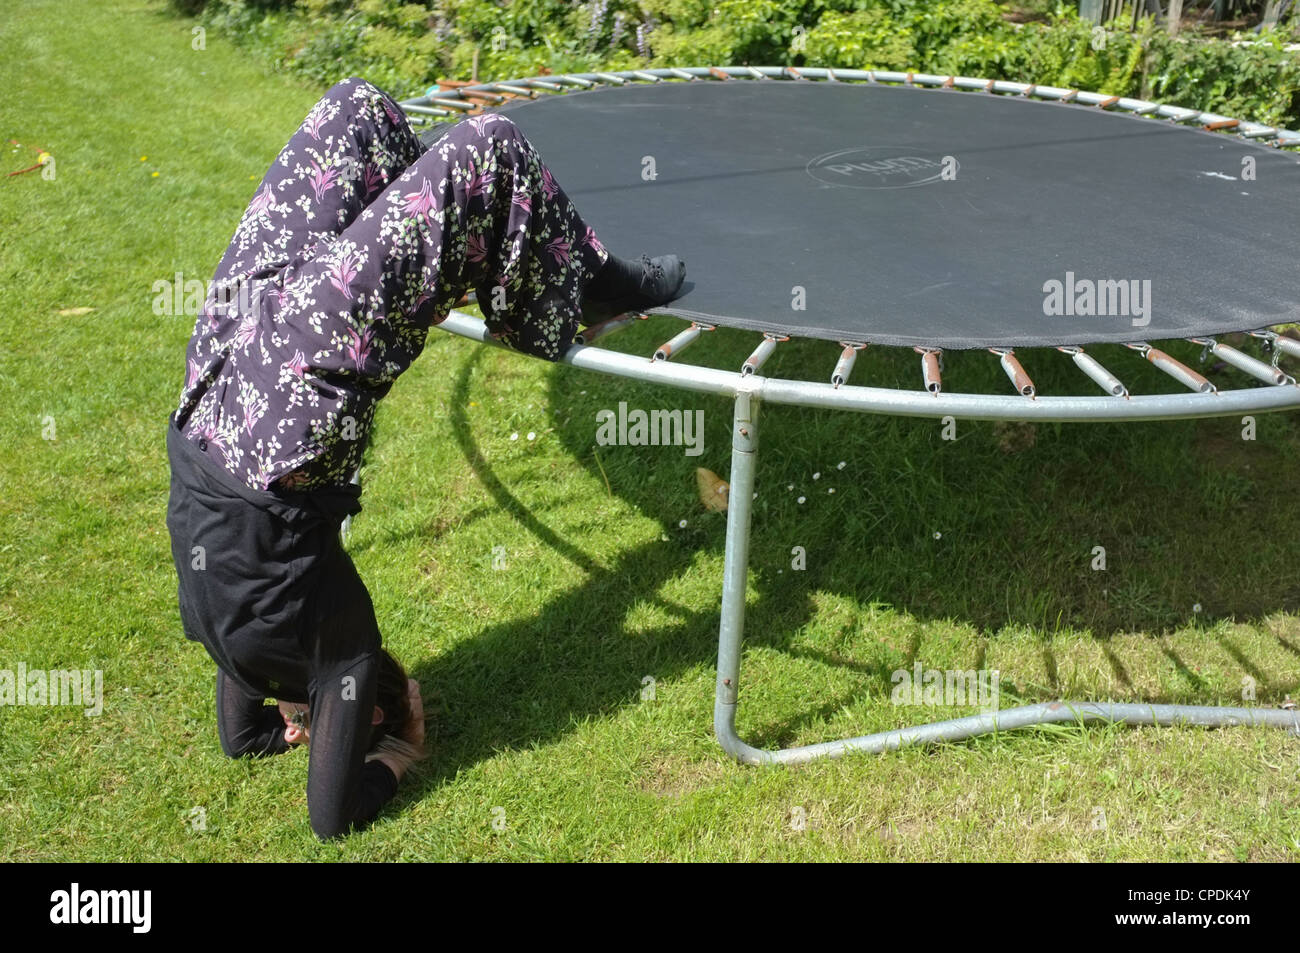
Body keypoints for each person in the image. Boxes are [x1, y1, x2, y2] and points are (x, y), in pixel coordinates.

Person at [164, 77, 686, 839]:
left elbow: (295, 783)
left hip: (279, 400)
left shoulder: (329, 646)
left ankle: (536, 271)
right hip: (217, 396)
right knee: (401, 125)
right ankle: (591, 287)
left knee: (382, 118)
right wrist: (389, 746)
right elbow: (283, 771)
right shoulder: (237, 633)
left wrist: (385, 738)